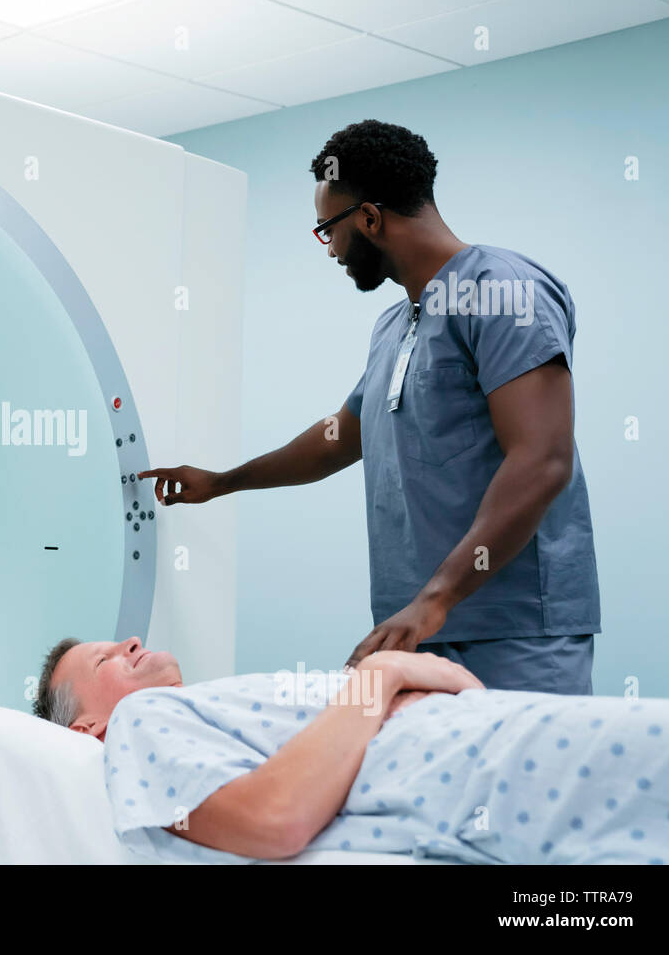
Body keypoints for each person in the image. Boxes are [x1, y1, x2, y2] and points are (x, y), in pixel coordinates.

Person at [141, 119, 600, 694]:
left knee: (523, 785)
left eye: (326, 230)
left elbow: (543, 459)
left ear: (369, 219)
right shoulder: (396, 323)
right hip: (416, 630)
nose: (329, 250)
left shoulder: (503, 290)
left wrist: (436, 599)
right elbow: (341, 435)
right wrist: (223, 481)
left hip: (513, 630)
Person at [33, 637, 669, 864]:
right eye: (106, 657)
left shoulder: (205, 709)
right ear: (88, 729)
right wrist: (385, 672)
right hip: (467, 758)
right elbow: (274, 817)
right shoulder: (144, 720)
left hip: (478, 736)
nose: (132, 640)